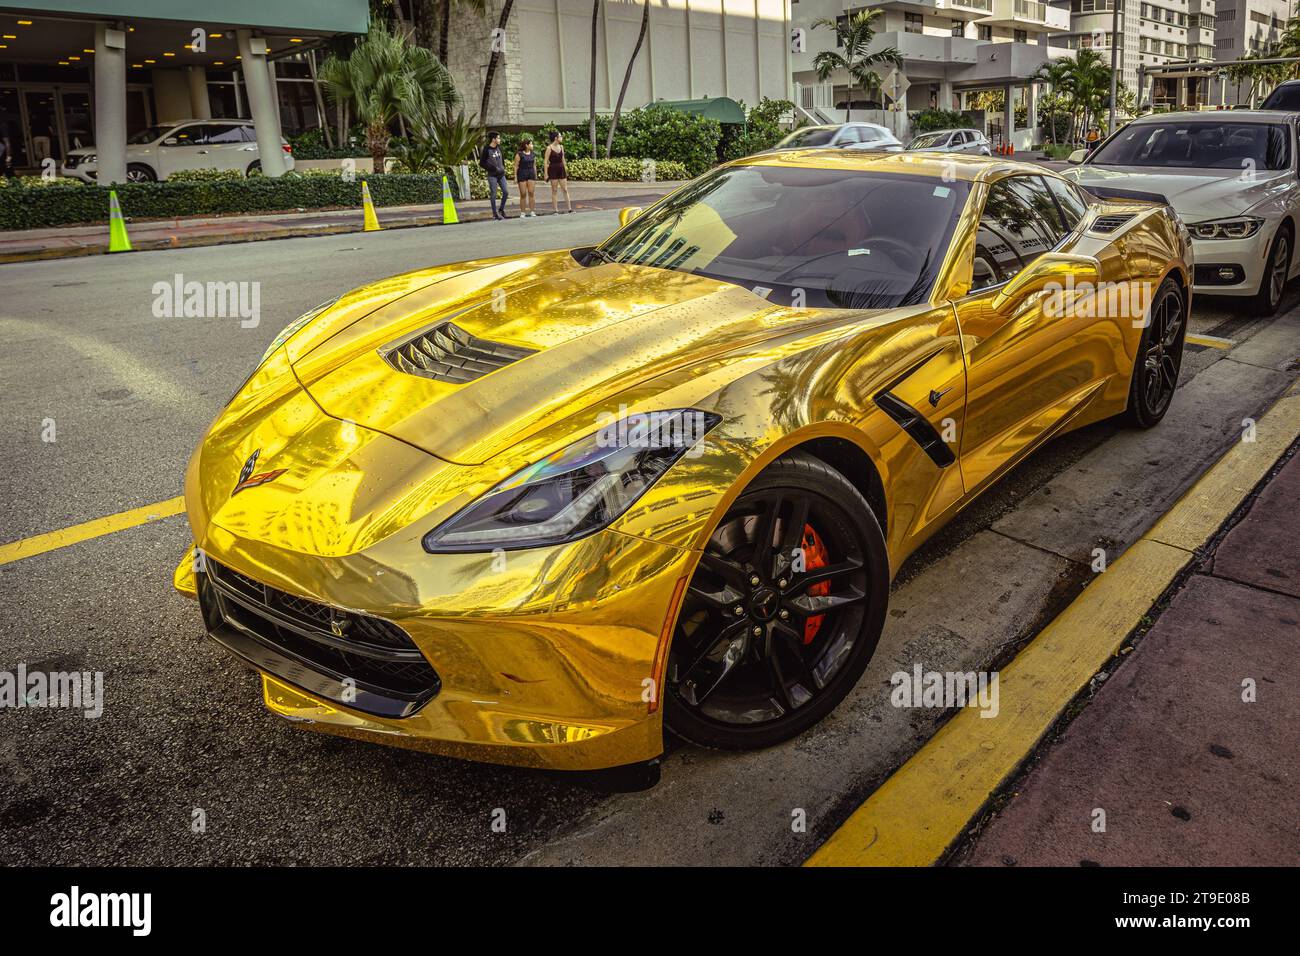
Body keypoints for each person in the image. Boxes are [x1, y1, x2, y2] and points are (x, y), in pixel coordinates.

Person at [479, 130, 509, 220]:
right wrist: (492, 168)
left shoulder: (499, 148)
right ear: (493, 139)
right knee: (494, 194)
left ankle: (501, 210)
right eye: (498, 138)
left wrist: (502, 168)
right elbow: (482, 163)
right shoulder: (487, 149)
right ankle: (495, 213)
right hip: (492, 175)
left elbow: (502, 159)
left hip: (501, 174)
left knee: (506, 192)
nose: (500, 140)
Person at [544, 130, 572, 214]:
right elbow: (545, 161)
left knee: (565, 189)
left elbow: (563, 159)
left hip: (561, 169)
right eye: (560, 136)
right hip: (553, 169)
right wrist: (546, 174)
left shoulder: (561, 147)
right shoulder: (549, 148)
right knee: (554, 190)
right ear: (556, 138)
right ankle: (556, 210)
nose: (561, 138)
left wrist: (565, 169)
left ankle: (570, 209)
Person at [514, 136, 538, 218]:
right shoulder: (519, 154)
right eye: (531, 144)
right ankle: (523, 212)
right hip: (522, 173)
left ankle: (532, 211)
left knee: (531, 193)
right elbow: (516, 166)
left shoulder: (533, 154)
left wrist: (535, 174)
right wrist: (515, 177)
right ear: (526, 145)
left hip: (531, 173)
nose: (532, 145)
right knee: (523, 194)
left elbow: (534, 165)